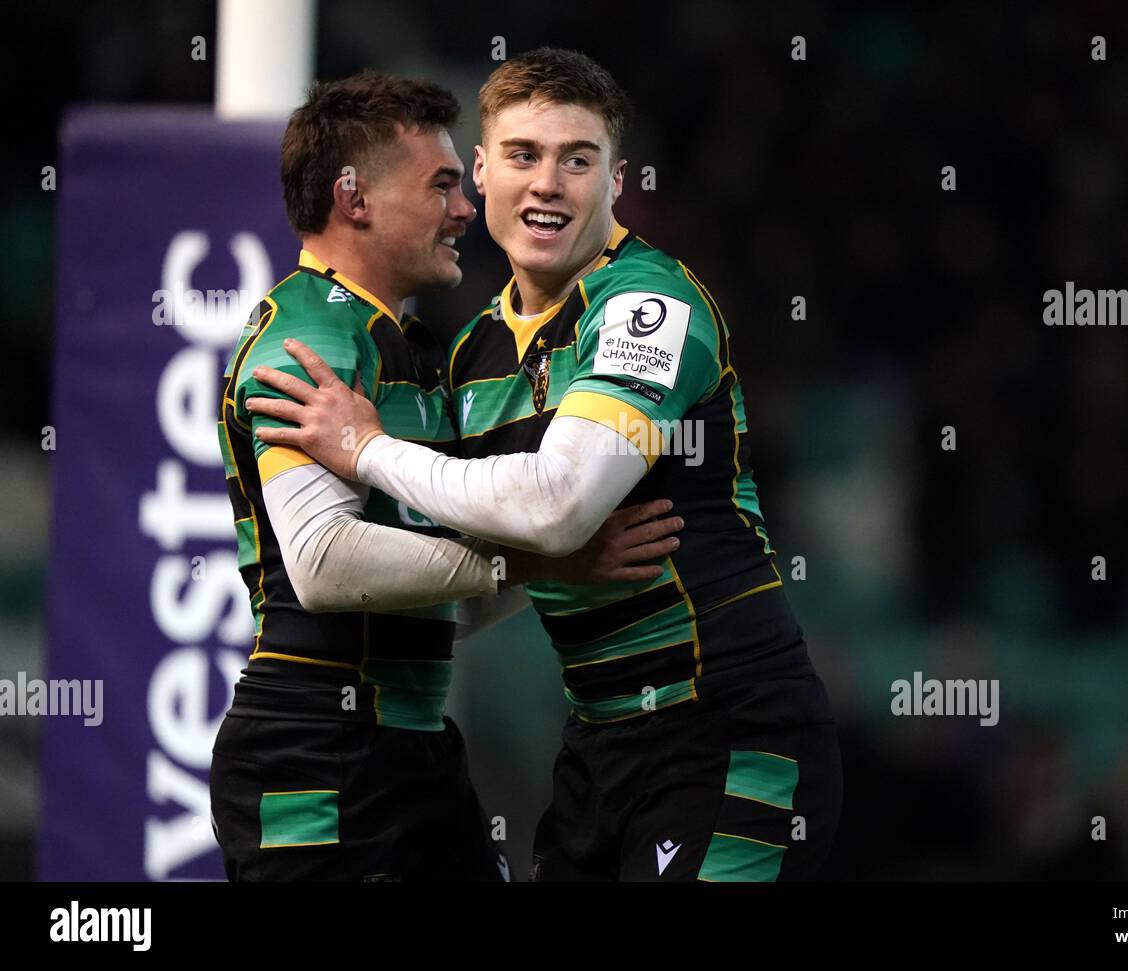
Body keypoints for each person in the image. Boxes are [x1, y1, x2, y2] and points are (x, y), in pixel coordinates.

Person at [247, 49, 841, 882]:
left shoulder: (650, 305)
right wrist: (528, 561)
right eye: (523, 156)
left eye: (578, 159)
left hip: (724, 726)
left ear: (616, 180)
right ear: (482, 173)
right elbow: (456, 587)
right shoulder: (465, 357)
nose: (548, 184)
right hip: (596, 746)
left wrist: (369, 450)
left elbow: (559, 503)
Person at [211, 70, 682, 881]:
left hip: (412, 748)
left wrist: (549, 562)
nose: (466, 209)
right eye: (440, 186)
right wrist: (532, 562)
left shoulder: (412, 346)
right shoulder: (310, 335)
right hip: (317, 753)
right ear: (354, 198)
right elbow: (322, 565)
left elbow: (434, 606)